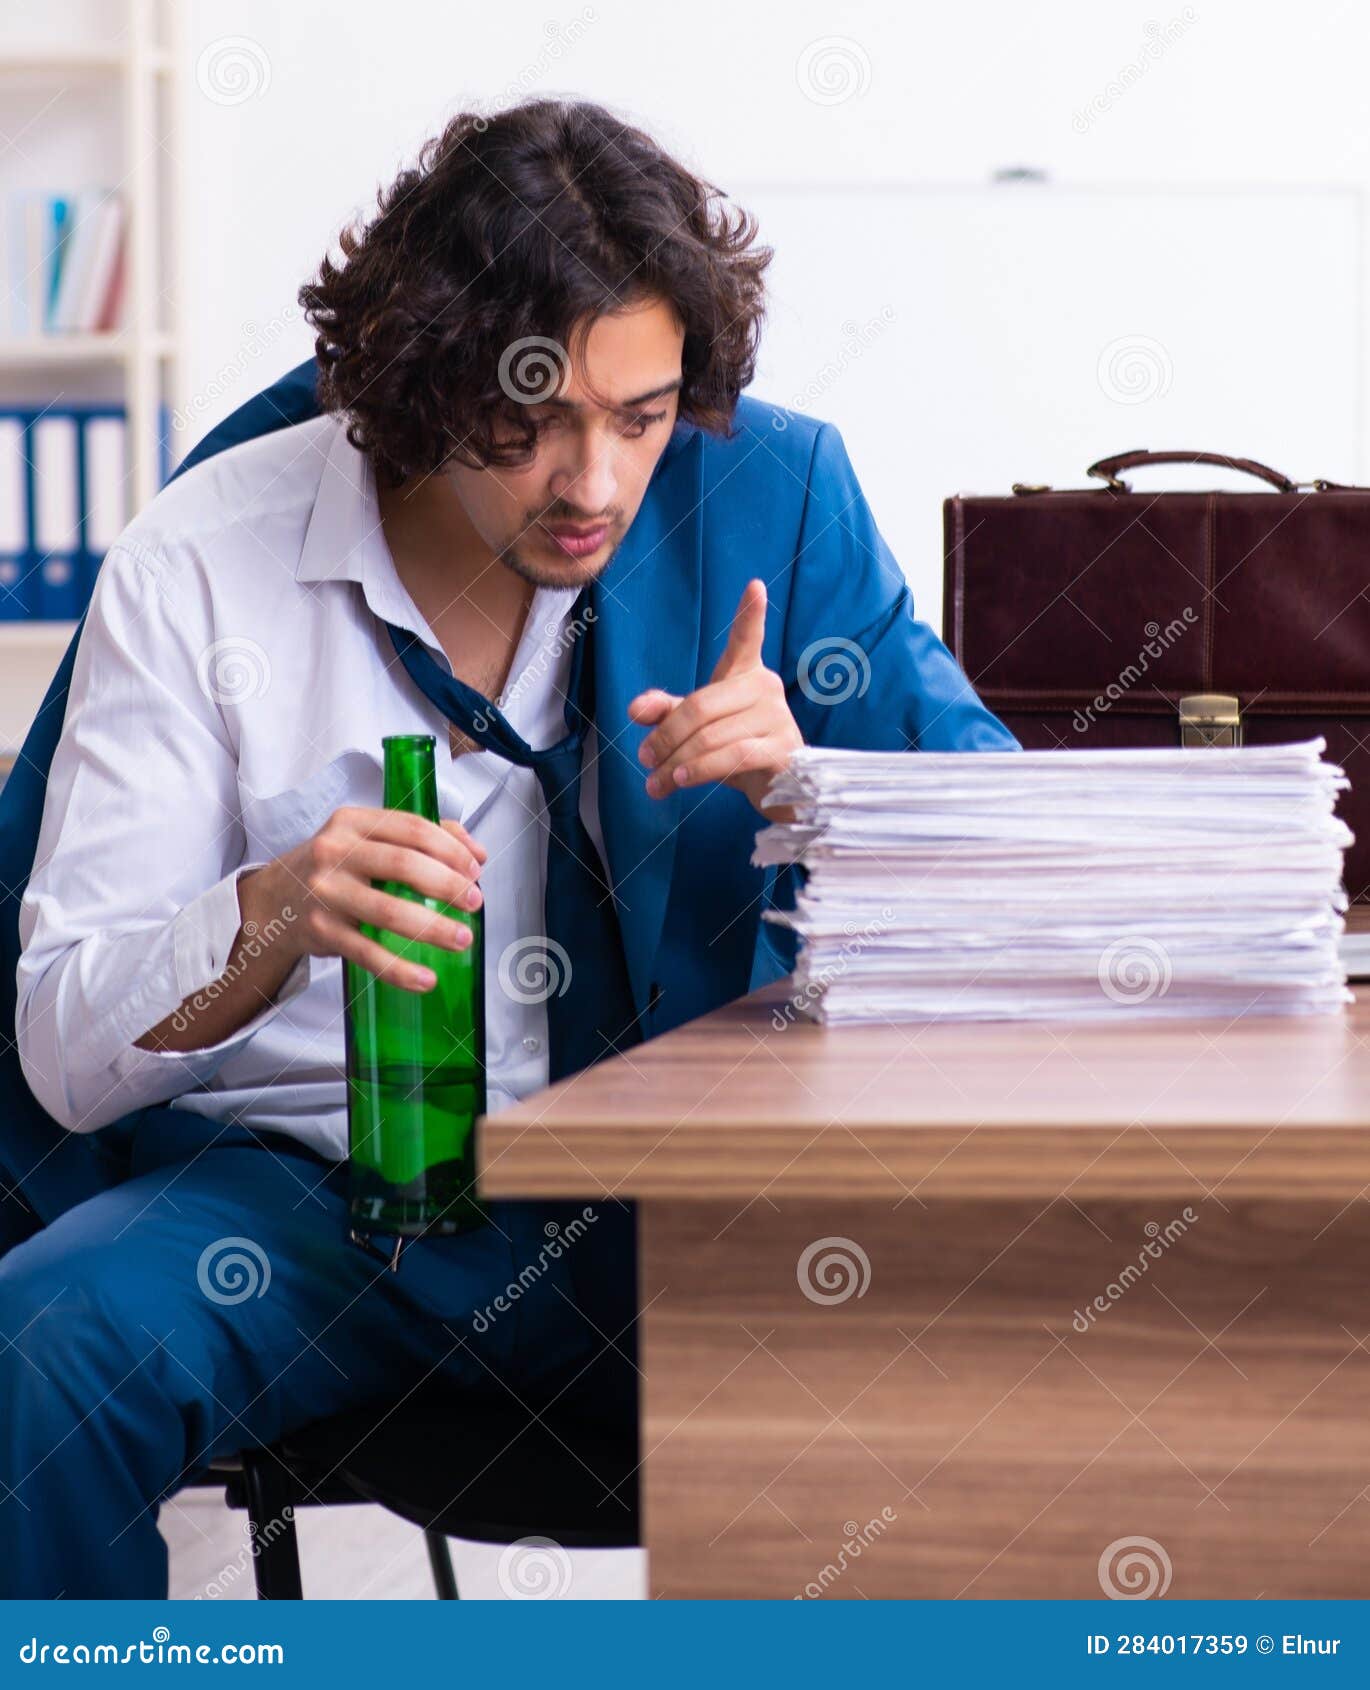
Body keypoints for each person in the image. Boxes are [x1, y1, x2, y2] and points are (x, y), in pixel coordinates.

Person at [0, 98, 1017, 1597]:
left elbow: (1014, 864)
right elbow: (65, 1052)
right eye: (527, 422)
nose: (593, 482)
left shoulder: (773, 497)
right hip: (319, 1206)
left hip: (695, 1205)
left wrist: (815, 784)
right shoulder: (201, 556)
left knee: (1038, 1343)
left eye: (641, 414)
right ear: (411, 382)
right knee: (45, 1346)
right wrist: (264, 915)